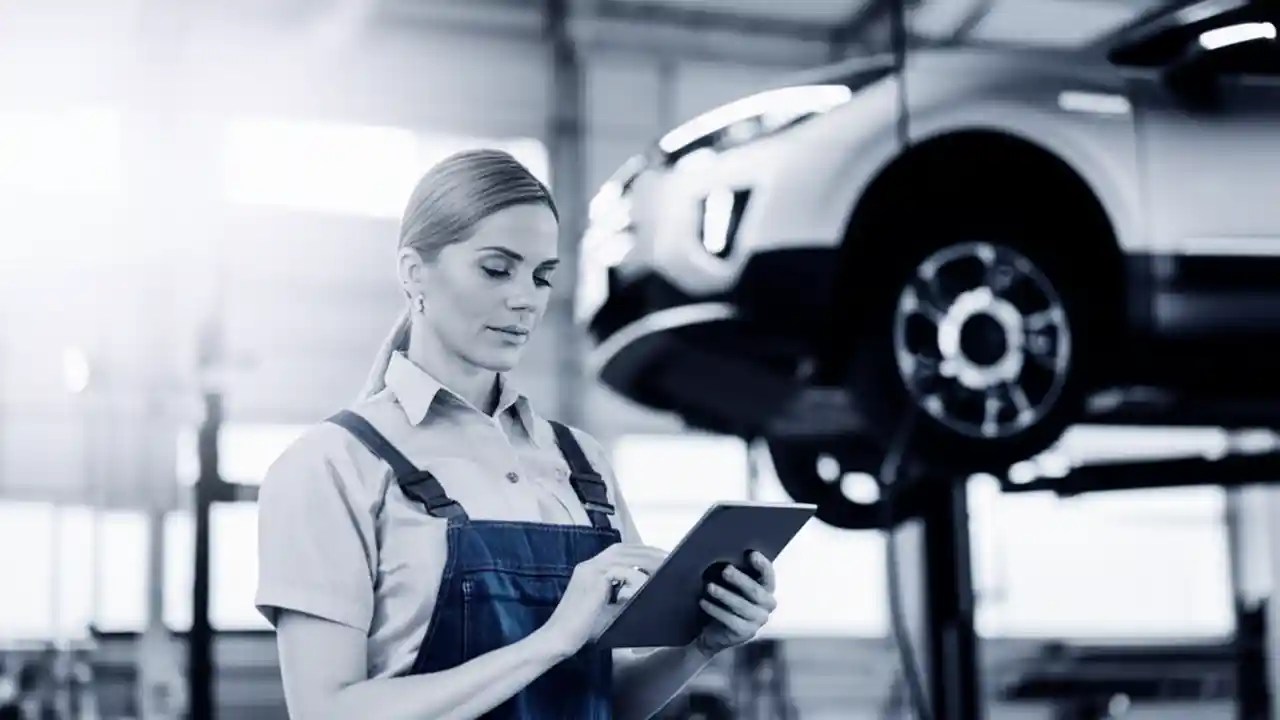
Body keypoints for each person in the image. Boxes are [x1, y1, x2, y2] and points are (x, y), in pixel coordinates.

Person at [255, 149, 781, 720]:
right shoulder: (333, 466)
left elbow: (609, 699)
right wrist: (549, 642)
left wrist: (700, 646)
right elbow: (326, 712)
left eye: (542, 276)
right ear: (414, 272)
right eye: (496, 269)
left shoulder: (583, 463)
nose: (525, 298)